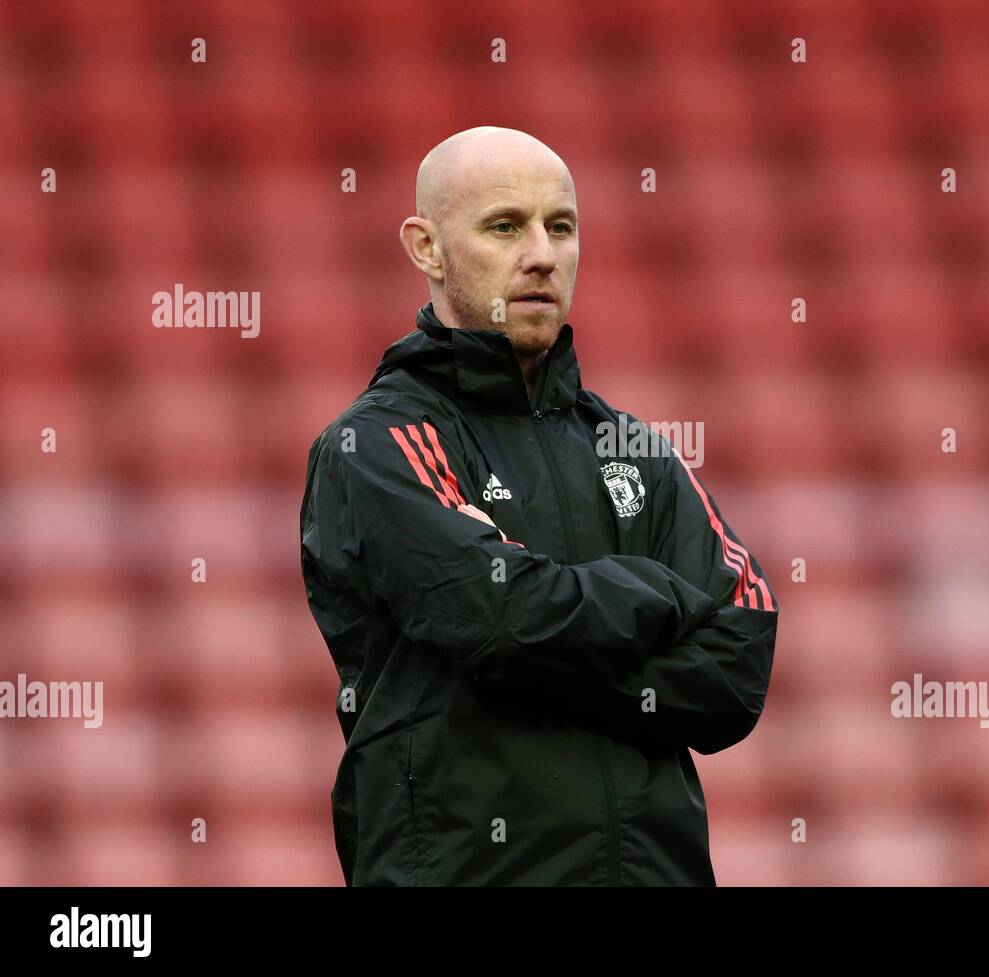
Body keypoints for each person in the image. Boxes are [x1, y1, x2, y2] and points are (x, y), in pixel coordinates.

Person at [299, 126, 778, 885]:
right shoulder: (379, 445)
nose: (542, 254)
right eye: (504, 226)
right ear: (426, 247)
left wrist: (525, 651)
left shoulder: (632, 448)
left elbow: (740, 659)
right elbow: (499, 615)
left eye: (560, 226)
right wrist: (657, 592)